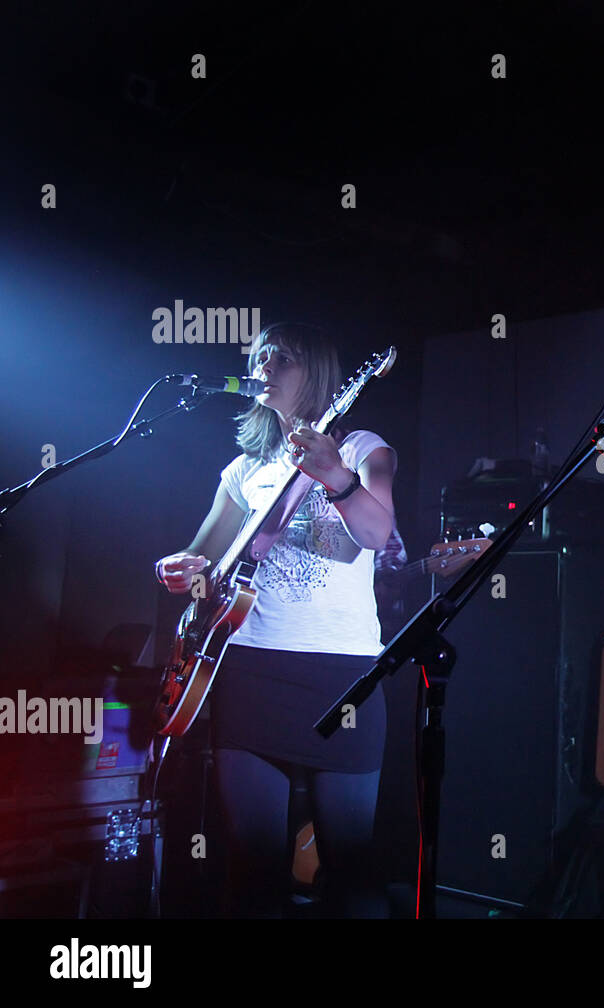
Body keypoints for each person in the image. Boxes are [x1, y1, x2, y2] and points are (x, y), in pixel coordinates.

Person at [154, 322, 396, 917]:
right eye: (259, 357)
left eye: (280, 359)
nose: (263, 368)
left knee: (350, 866)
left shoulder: (365, 448)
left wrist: (334, 473)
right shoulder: (242, 470)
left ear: (313, 372)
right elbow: (202, 560)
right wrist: (176, 568)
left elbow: (376, 532)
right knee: (253, 864)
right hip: (249, 673)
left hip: (342, 677)